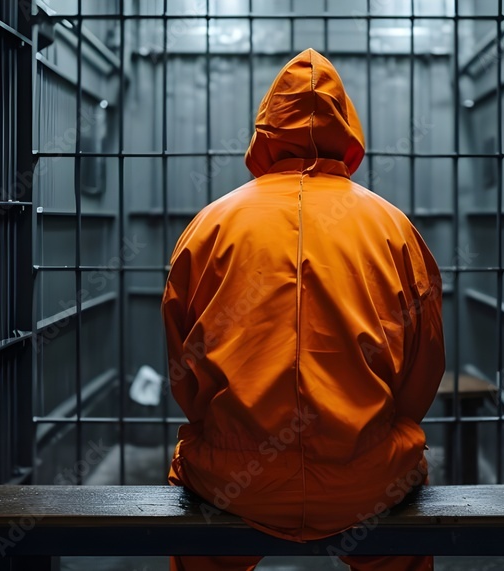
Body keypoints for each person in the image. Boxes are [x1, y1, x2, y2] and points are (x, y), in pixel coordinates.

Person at [162, 48, 445, 571]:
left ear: (266, 130)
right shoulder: (393, 228)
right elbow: (422, 373)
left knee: (198, 518)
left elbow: (186, 373)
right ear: (347, 131)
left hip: (235, 478)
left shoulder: (211, 226)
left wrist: (228, 434)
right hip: (365, 477)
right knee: (401, 533)